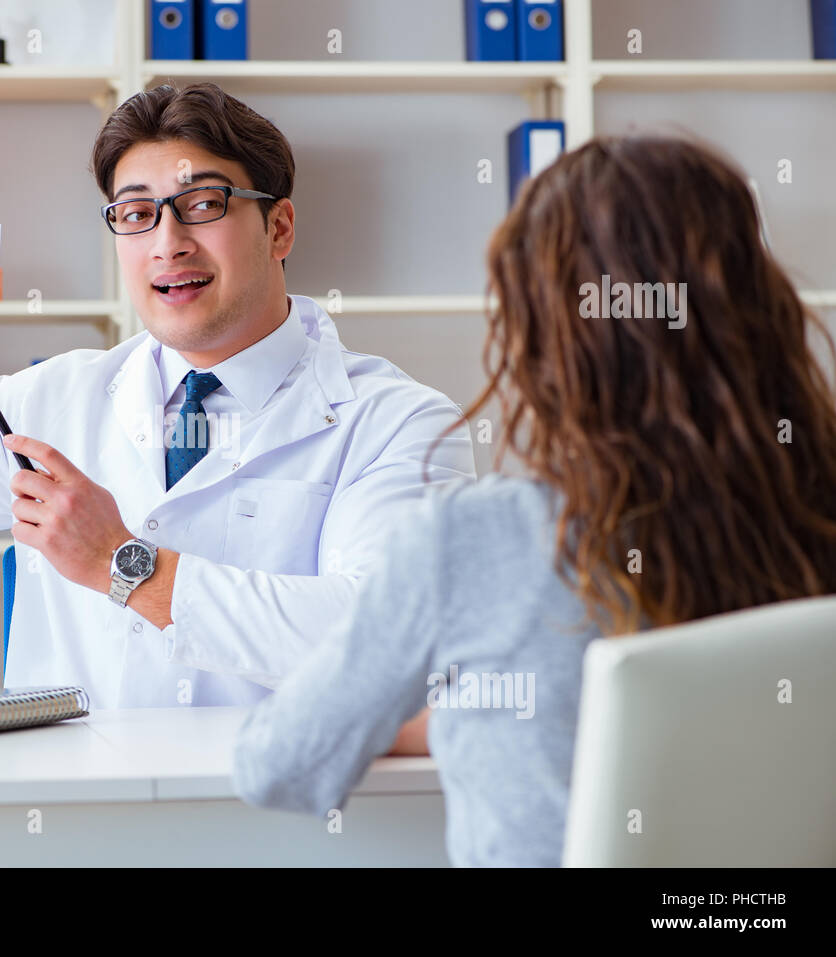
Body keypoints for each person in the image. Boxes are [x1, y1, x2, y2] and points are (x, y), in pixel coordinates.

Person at [232, 135, 836, 865]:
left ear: (550, 337)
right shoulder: (813, 509)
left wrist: (441, 708)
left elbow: (279, 765)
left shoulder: (480, 536)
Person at [0, 83, 475, 710]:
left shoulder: (400, 423)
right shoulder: (46, 401)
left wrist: (119, 562)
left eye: (203, 205)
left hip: (277, 815)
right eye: (137, 214)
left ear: (279, 228)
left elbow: (393, 644)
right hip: (73, 811)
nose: (168, 243)